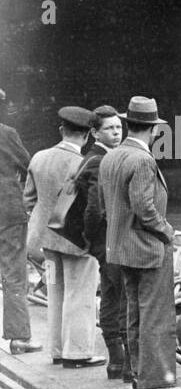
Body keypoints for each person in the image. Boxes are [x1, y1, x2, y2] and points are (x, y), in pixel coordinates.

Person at [99, 96, 181, 389]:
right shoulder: (143, 160)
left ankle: (139, 373)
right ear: (152, 129)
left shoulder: (111, 156)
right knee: (157, 315)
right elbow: (144, 207)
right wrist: (168, 232)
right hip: (149, 248)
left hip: (122, 249)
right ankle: (158, 380)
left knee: (135, 311)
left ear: (128, 123)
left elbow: (105, 206)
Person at [24, 106, 104, 367]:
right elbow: (93, 208)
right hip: (76, 242)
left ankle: (57, 351)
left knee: (55, 294)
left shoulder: (38, 158)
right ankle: (78, 353)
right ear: (88, 135)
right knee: (79, 295)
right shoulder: (85, 164)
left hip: (44, 242)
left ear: (61, 130)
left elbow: (29, 200)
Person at [76, 107, 130, 380]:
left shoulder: (94, 157)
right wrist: (93, 237)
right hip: (109, 240)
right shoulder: (99, 160)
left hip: (103, 242)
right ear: (95, 132)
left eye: (119, 127)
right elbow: (95, 208)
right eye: (110, 128)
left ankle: (116, 361)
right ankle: (126, 362)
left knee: (110, 296)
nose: (117, 132)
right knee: (121, 296)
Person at [0, 90, 40, 354]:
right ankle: (19, 338)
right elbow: (30, 166)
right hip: (7, 211)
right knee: (13, 274)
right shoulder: (6, 133)